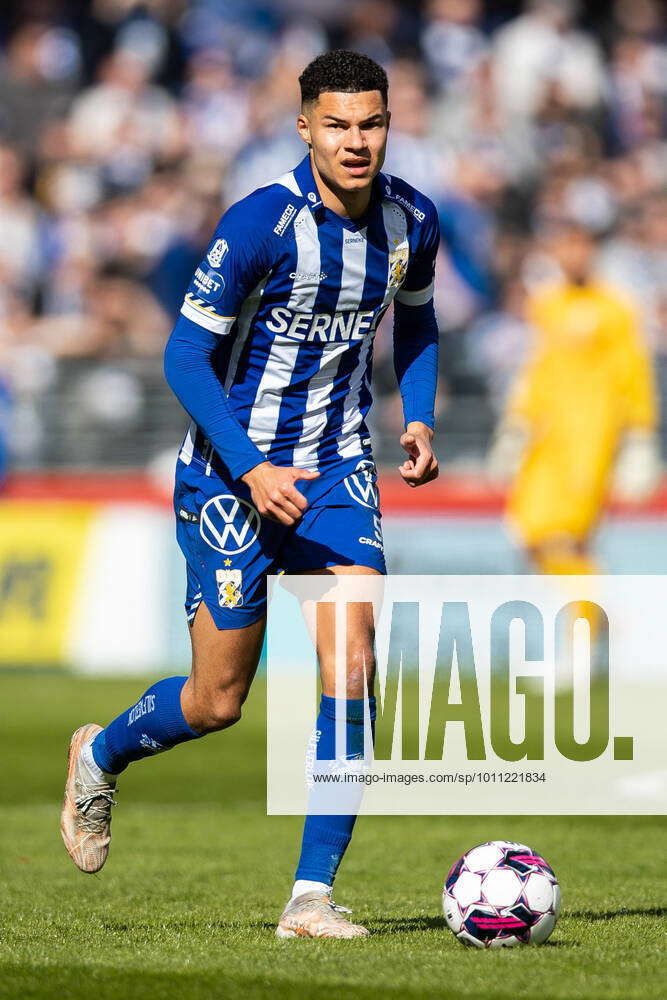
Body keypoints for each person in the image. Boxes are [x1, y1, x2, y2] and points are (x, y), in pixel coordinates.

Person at [61, 50, 440, 939]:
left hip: (341, 470)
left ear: (389, 124)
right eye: (338, 125)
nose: (357, 142)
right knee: (217, 700)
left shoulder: (413, 220)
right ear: (303, 126)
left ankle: (310, 898)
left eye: (372, 123)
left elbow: (415, 317)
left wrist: (415, 417)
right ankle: (101, 752)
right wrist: (254, 467)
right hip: (234, 476)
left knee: (352, 666)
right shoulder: (261, 223)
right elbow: (184, 358)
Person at [488, 218, 660, 582]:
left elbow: (634, 373)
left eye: (582, 246)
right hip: (547, 442)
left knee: (568, 536)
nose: (574, 255)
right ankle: (593, 609)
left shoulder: (616, 308)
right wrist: (517, 425)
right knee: (526, 531)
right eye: (567, 246)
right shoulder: (548, 306)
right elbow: (536, 371)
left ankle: (588, 622)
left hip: (593, 442)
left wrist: (640, 438)